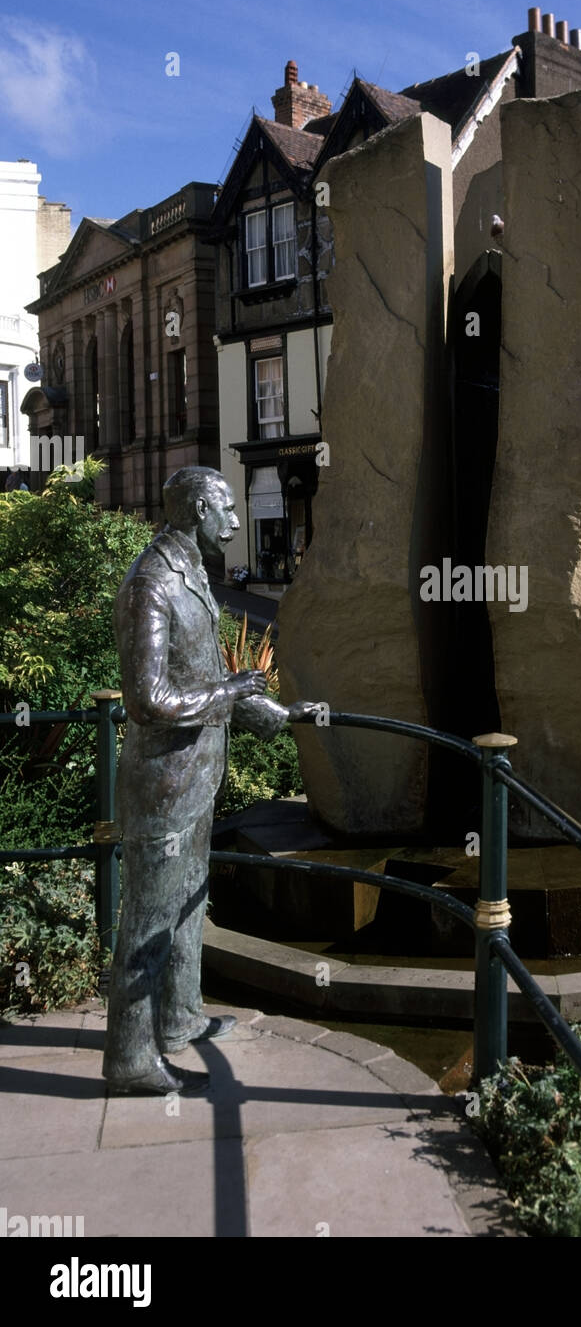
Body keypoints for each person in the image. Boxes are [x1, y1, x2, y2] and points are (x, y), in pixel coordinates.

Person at [102, 466, 319, 1096]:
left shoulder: (195, 570)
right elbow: (149, 699)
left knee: (191, 899)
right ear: (198, 509)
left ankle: (179, 1016)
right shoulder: (151, 582)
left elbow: (200, 672)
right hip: (164, 785)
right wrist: (231, 691)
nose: (234, 519)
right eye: (225, 508)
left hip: (197, 779)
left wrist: (277, 715)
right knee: (149, 916)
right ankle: (129, 1059)